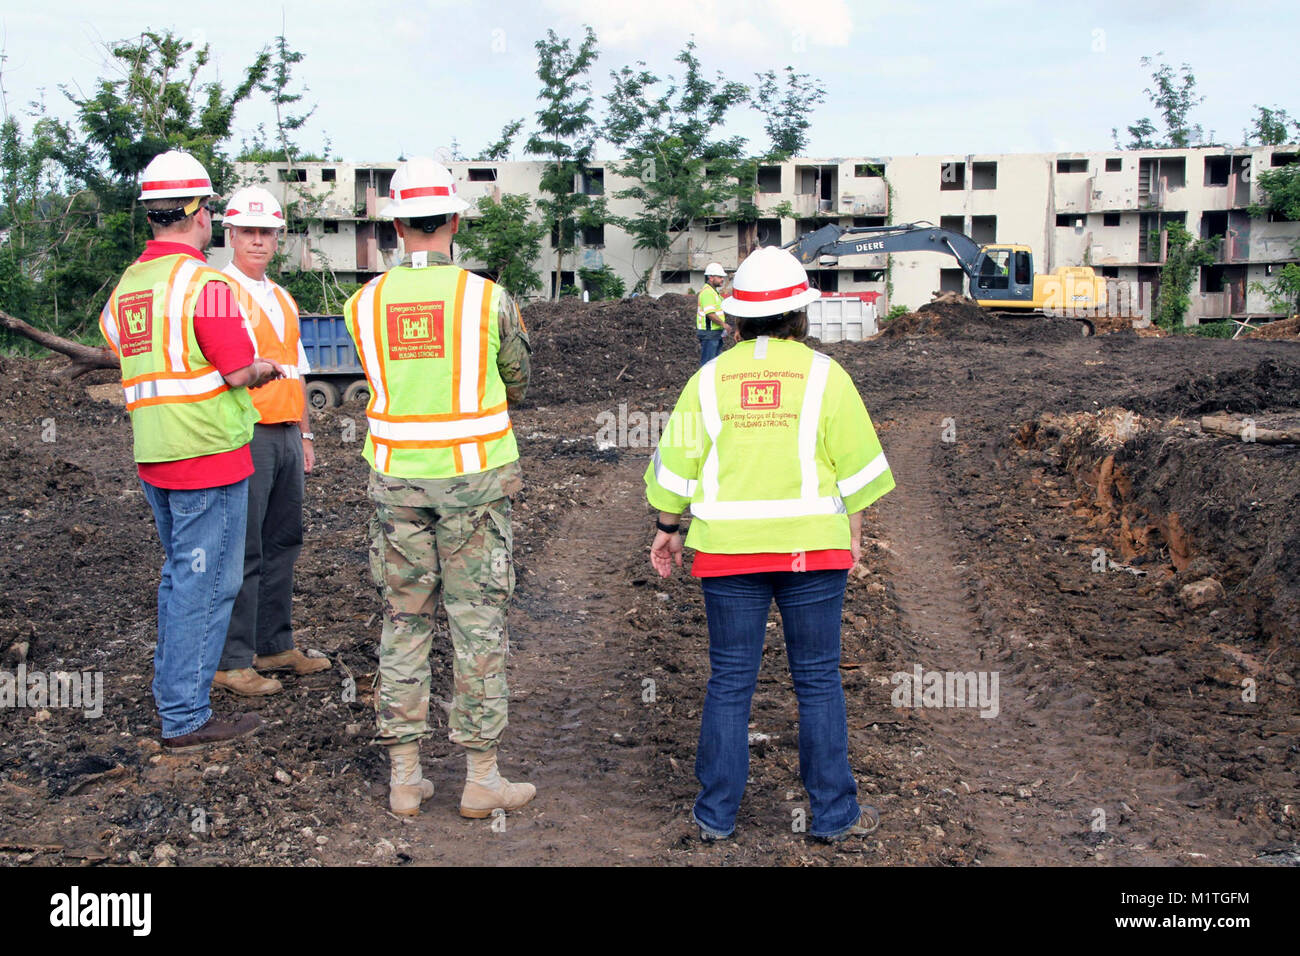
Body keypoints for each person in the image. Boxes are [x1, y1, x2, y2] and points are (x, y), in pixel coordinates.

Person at [644, 245, 896, 842]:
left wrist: (667, 529)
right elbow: (858, 473)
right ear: (800, 314)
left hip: (729, 555)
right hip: (813, 554)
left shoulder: (707, 380)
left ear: (735, 317)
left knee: (730, 679)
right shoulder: (827, 377)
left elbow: (675, 468)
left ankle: (715, 817)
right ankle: (834, 817)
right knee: (818, 680)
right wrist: (853, 538)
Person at [343, 157, 534, 818]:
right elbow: (519, 379)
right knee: (477, 624)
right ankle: (481, 779)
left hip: (396, 486)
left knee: (405, 620)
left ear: (396, 225)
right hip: (475, 487)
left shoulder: (362, 304)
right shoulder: (488, 298)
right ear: (454, 220)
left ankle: (405, 778)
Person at [98, 150, 285, 751]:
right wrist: (266, 368)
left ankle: (177, 699)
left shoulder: (131, 283)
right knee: (204, 587)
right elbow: (235, 371)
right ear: (201, 214)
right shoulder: (205, 284)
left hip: (155, 452)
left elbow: (115, 339)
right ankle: (184, 717)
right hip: (208, 454)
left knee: (181, 580)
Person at [212, 186, 331, 696]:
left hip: (283, 434)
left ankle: (275, 646)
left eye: (267, 233)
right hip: (243, 435)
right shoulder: (217, 291)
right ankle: (233, 658)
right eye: (249, 232)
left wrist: (304, 434)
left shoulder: (282, 297)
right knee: (244, 548)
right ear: (230, 235)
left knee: (284, 542)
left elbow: (297, 373)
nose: (259, 242)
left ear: (277, 239)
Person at [696, 262, 731, 366]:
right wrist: (723, 324)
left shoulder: (713, 292)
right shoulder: (707, 292)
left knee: (713, 364)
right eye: (720, 277)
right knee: (708, 364)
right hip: (709, 333)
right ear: (711, 277)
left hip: (714, 333)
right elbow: (710, 314)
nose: (722, 279)